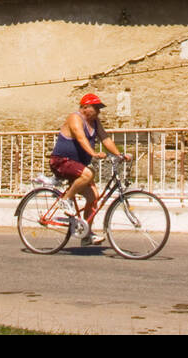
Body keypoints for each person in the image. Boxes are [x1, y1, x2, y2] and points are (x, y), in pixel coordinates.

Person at [50, 94, 129, 246]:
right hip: (61, 161)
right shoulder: (75, 118)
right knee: (88, 173)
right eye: (96, 108)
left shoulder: (95, 122)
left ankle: (86, 235)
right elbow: (81, 138)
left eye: (99, 108)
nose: (99, 111)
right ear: (85, 107)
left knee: (94, 197)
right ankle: (65, 200)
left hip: (77, 166)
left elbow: (105, 139)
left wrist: (120, 155)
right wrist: (93, 153)